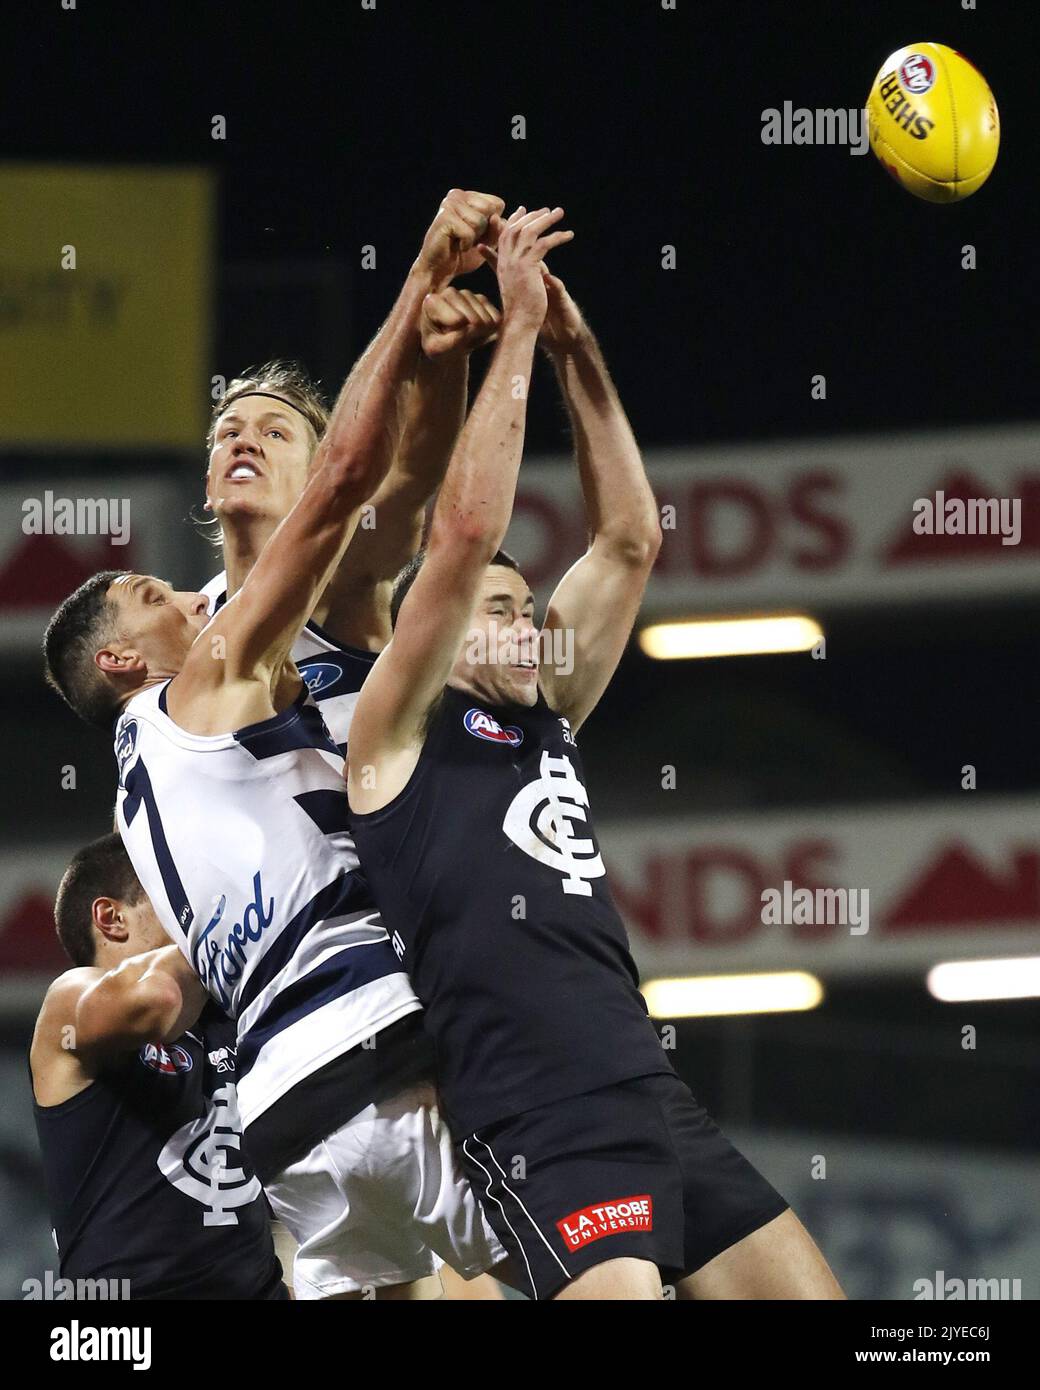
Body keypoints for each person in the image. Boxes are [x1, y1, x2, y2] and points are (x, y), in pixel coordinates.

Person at [39, 194, 536, 1299]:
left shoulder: (325, 587)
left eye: (274, 426)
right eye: (228, 426)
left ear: (319, 459)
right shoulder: (203, 653)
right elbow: (375, 480)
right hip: (364, 1006)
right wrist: (416, 309)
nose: (240, 434)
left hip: (368, 1003)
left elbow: (399, 494)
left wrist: (440, 354)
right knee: (591, 1243)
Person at [346, 214, 846, 1301]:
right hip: (535, 1112)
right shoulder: (393, 736)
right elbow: (464, 530)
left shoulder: (545, 715)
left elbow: (629, 538)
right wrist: (513, 331)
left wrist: (575, 353)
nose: (530, 625)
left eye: (534, 609)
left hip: (646, 1088)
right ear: (428, 629)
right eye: (500, 610)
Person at [30, 833, 287, 1300]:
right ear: (111, 918)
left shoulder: (227, 1013)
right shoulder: (72, 999)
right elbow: (159, 1000)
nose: (189, 908)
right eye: (173, 896)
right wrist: (228, 916)